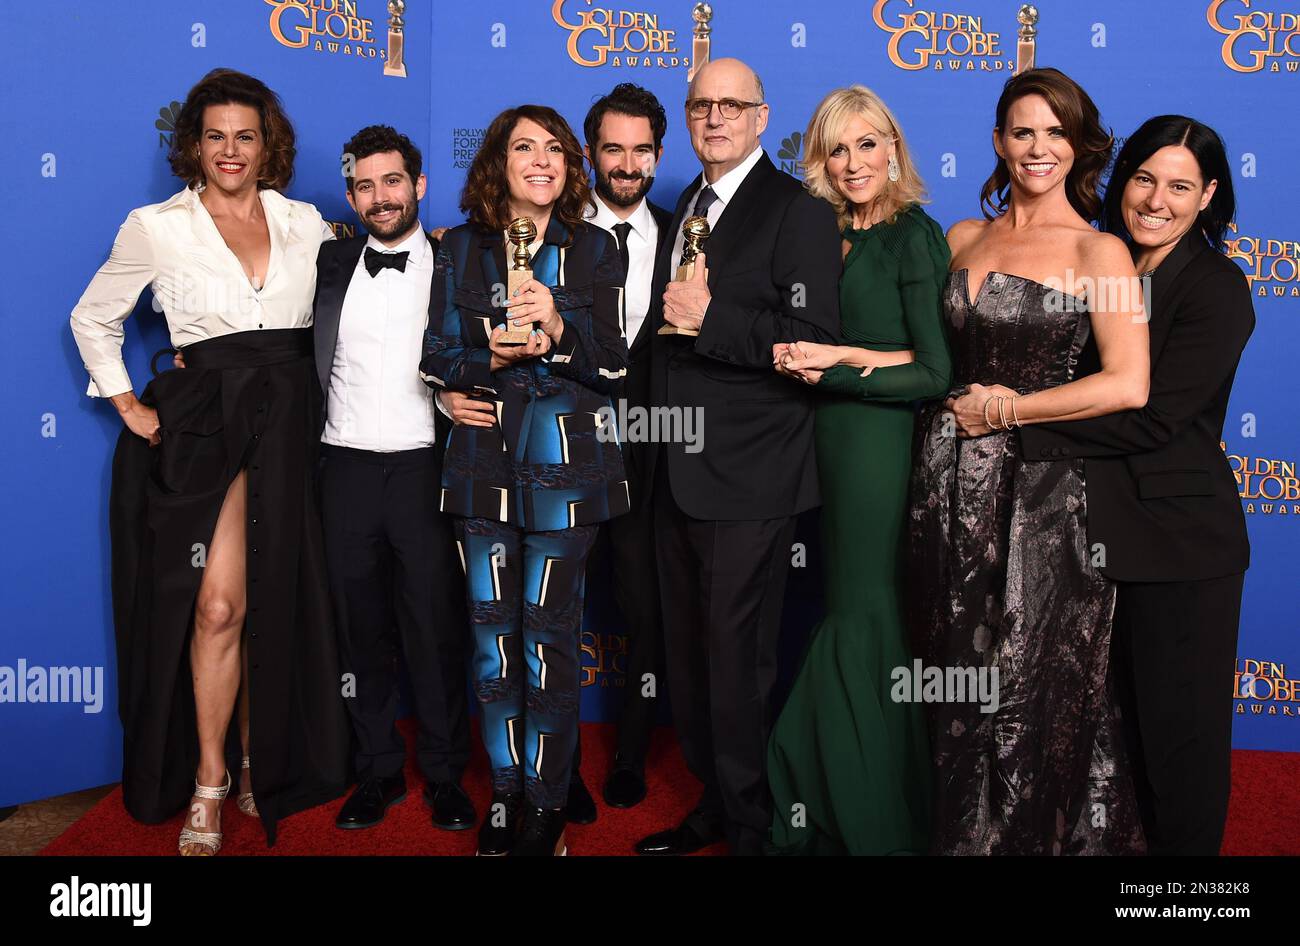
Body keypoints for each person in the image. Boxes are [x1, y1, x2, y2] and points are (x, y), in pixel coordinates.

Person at [69, 68, 349, 855]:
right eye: (216, 135)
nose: (231, 150)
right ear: (195, 144)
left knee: (278, 595)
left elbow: (352, 305)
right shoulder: (156, 226)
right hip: (207, 425)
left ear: (269, 145)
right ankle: (209, 779)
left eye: (246, 135)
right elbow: (93, 319)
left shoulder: (306, 222)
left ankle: (271, 760)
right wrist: (131, 407)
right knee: (219, 605)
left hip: (294, 419)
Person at [908, 67, 1151, 855]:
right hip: (944, 484)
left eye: (1056, 132)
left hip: (1043, 494)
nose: (1038, 148)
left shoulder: (1101, 250)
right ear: (998, 141)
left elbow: (1128, 383)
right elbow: (925, 361)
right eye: (1023, 131)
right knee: (952, 670)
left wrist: (1006, 407)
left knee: (1028, 679)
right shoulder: (960, 237)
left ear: (1079, 145)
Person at [1019, 116, 1254, 855]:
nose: (1157, 199)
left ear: (1209, 195)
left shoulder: (1217, 287)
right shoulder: (1105, 263)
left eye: (1181, 186)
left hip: (1178, 547)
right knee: (1108, 738)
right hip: (1086, 536)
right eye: (1146, 178)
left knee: (1177, 741)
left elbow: (1154, 419)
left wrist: (1016, 427)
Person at [634, 58, 842, 857]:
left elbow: (816, 343)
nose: (715, 117)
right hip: (673, 471)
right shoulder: (686, 203)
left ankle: (753, 828)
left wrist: (714, 315)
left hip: (751, 474)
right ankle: (715, 806)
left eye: (732, 105)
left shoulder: (797, 213)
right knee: (688, 661)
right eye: (701, 105)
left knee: (736, 664)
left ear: (761, 118)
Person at [421, 104, 630, 856]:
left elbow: (612, 365)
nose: (540, 159)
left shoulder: (598, 249)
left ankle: (547, 803)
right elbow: (436, 355)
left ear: (571, 165)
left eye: (554, 149)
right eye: (522, 147)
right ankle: (506, 793)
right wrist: (488, 360)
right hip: (481, 472)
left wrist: (561, 330)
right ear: (497, 163)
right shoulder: (459, 250)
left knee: (547, 645)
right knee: (493, 647)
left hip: (568, 476)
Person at [767, 85, 949, 855]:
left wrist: (834, 371)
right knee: (836, 608)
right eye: (837, 148)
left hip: (875, 443)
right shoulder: (823, 233)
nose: (853, 162)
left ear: (895, 148)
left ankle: (868, 812)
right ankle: (835, 788)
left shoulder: (915, 236)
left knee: (861, 613)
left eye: (867, 143)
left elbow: (936, 371)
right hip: (816, 442)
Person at [308, 125, 475, 834]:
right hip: (342, 467)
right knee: (361, 632)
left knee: (434, 632)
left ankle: (442, 773)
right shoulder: (325, 263)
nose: (381, 197)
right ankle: (375, 771)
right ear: (352, 195)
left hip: (422, 471)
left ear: (419, 185)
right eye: (366, 186)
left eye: (393, 181)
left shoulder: (456, 262)